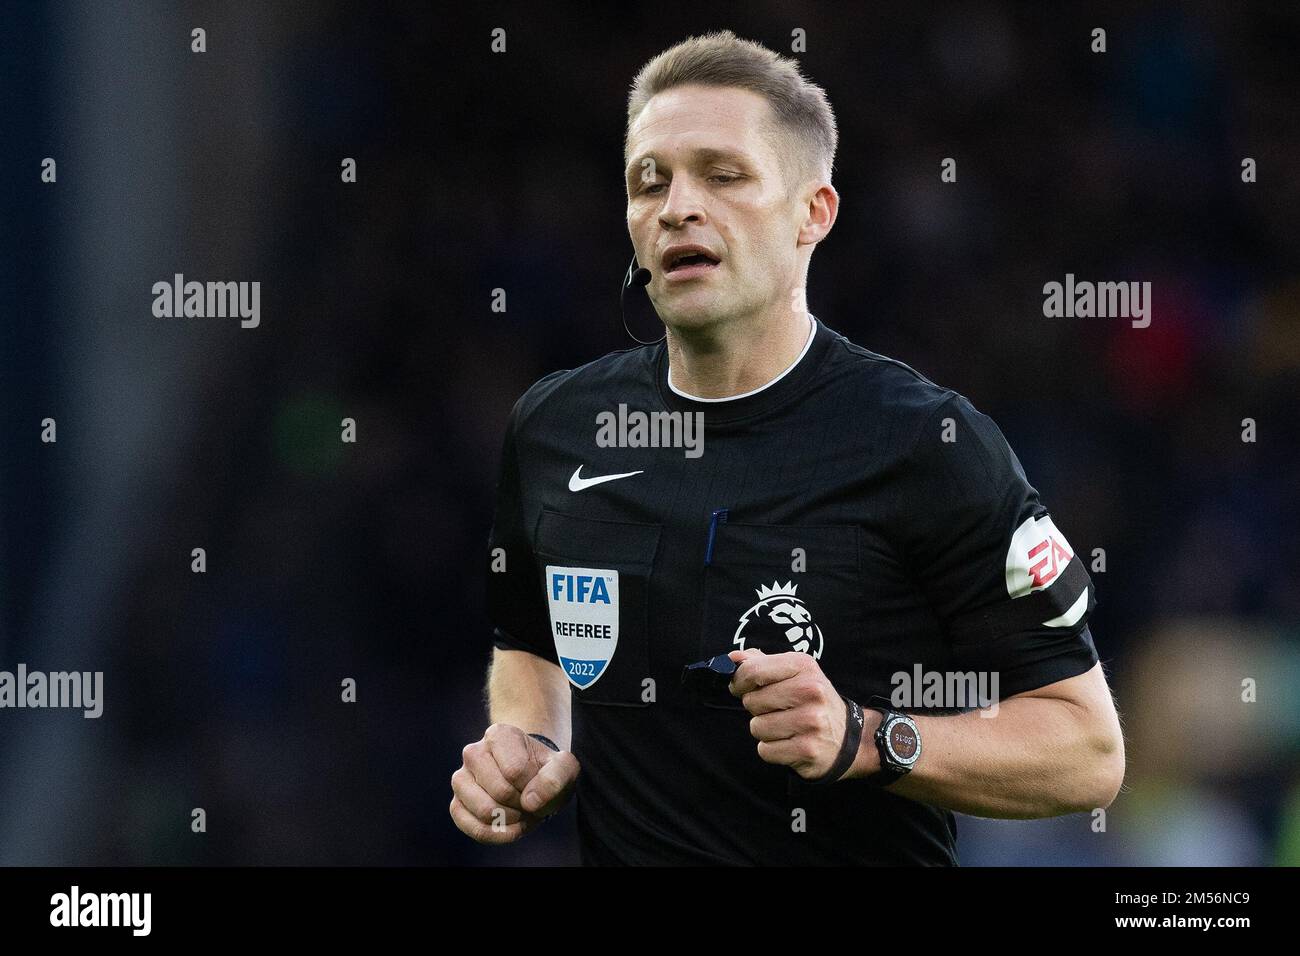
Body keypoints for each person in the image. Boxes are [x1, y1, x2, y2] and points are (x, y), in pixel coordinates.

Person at [450, 29, 1125, 864]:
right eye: (647, 182)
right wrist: (528, 743)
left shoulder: (926, 443)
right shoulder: (555, 427)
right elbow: (529, 646)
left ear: (814, 212)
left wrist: (867, 739)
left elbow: (1087, 751)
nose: (676, 207)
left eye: (723, 175)